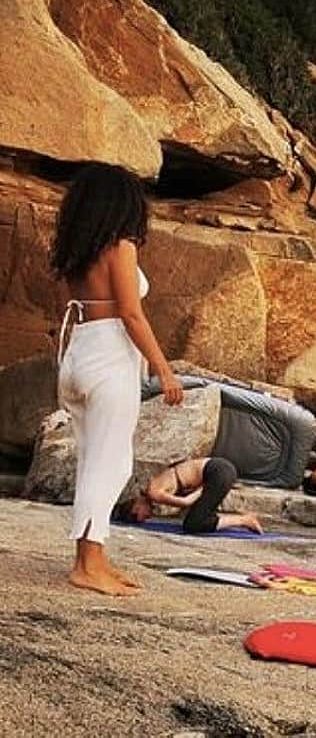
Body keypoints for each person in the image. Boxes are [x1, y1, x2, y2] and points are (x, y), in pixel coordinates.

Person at [52, 163, 183, 597]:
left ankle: (93, 557)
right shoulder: (119, 245)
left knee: (95, 459)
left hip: (78, 352)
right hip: (109, 356)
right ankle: (87, 566)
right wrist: (164, 369)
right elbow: (130, 312)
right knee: (110, 463)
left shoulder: (79, 249)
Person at [120, 457, 262, 534]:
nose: (148, 517)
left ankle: (245, 520)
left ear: (136, 507)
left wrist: (204, 489)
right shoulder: (154, 486)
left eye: (143, 516)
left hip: (218, 472)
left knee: (193, 524)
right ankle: (244, 519)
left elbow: (186, 502)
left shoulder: (154, 492)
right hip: (219, 469)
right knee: (198, 517)